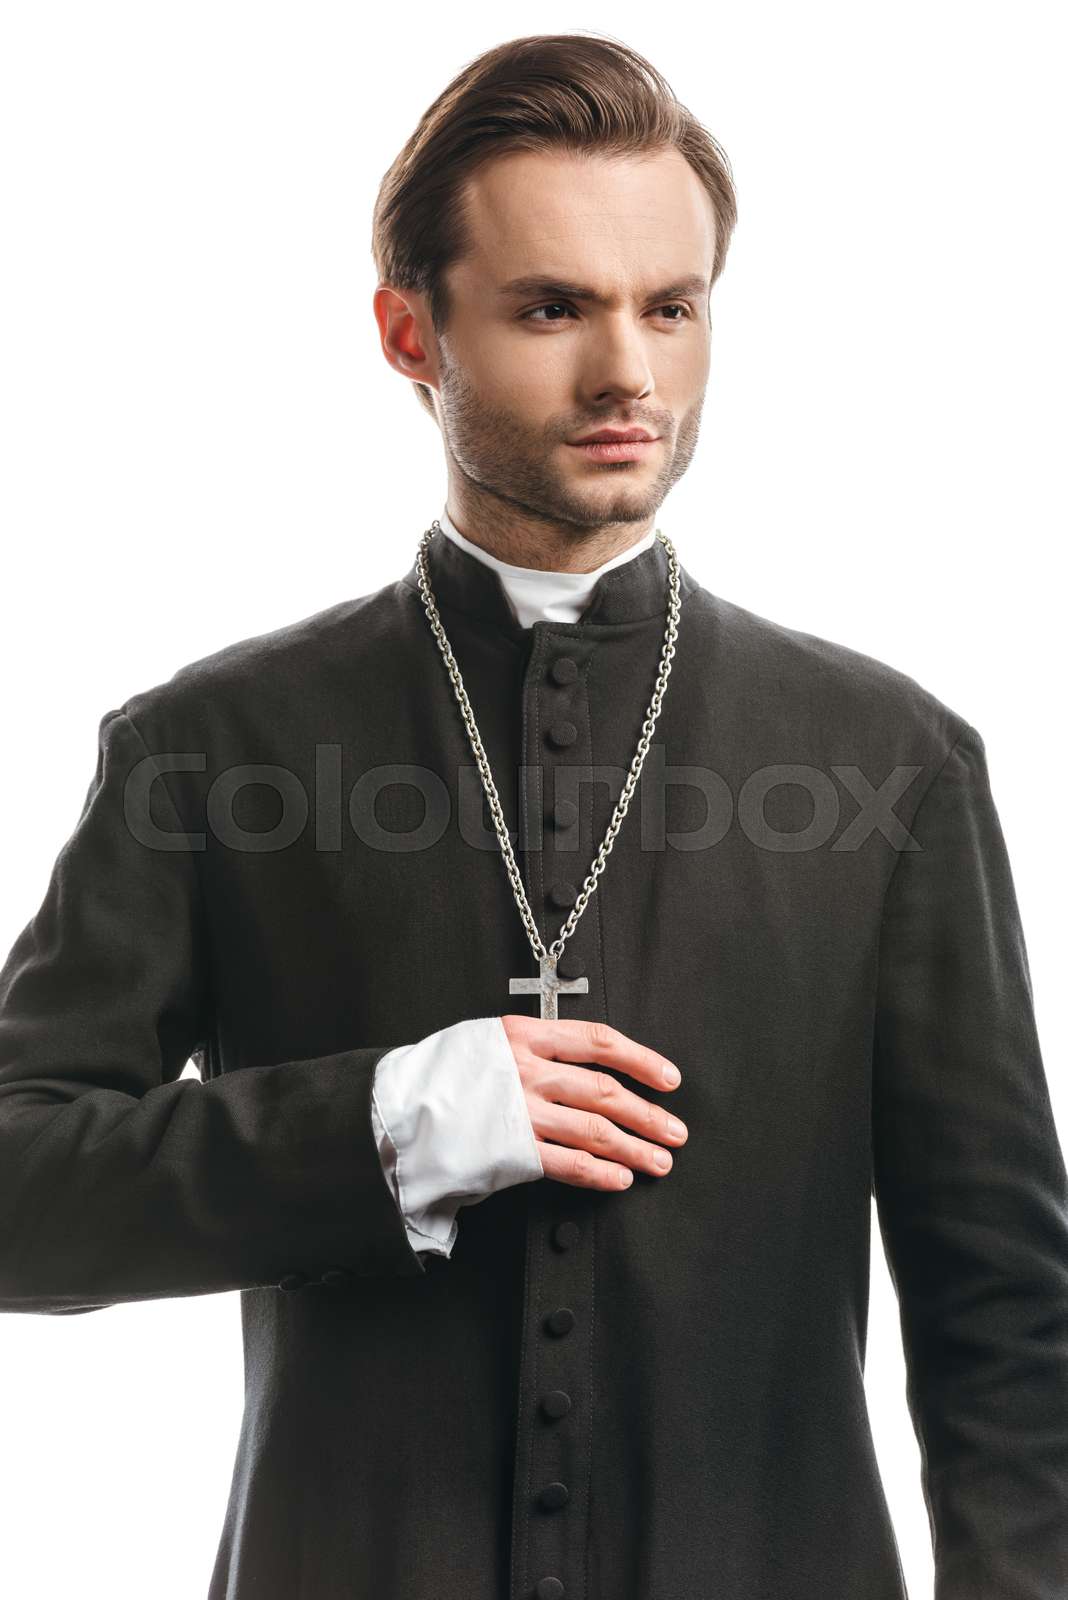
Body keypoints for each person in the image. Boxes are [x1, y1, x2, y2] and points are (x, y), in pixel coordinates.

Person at [1, 30, 1066, 1600]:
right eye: (554, 306)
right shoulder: (205, 747)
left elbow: (1008, 1319)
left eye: (672, 306)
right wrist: (388, 1124)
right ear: (407, 332)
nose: (628, 370)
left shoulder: (895, 757)